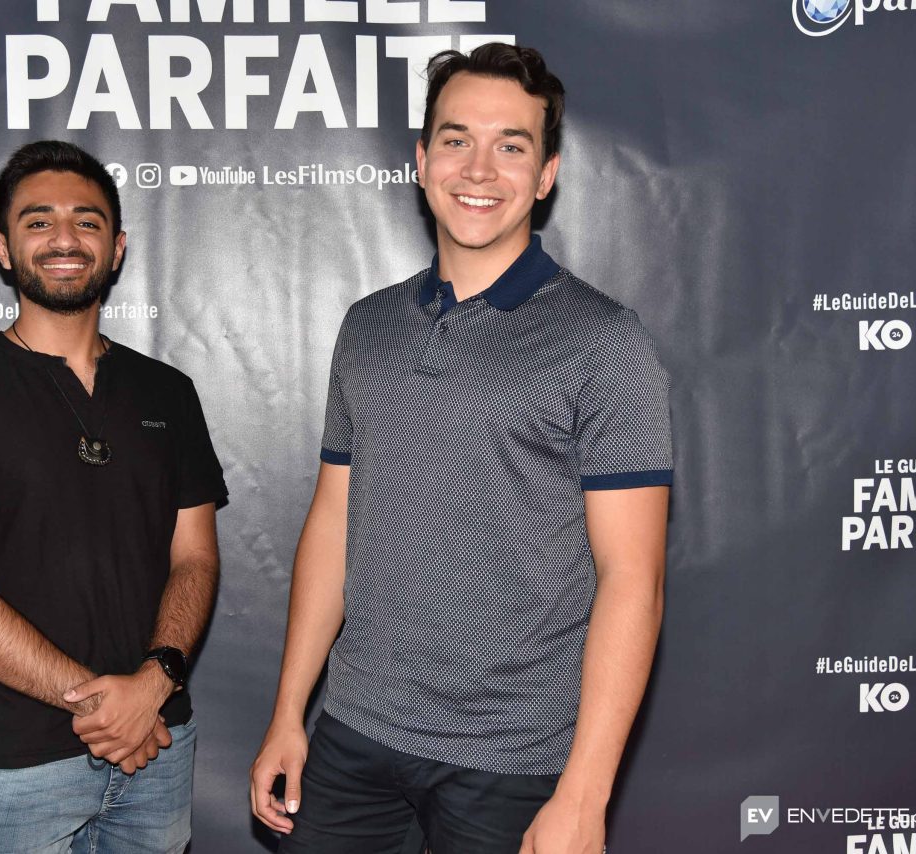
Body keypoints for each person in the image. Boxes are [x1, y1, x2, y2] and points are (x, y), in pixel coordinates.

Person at [250, 43, 672, 854]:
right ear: (420, 159)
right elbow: (335, 519)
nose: (479, 168)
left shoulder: (604, 342)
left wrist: (585, 795)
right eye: (455, 139)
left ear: (546, 174)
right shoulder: (366, 326)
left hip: (514, 764)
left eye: (511, 145)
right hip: (351, 739)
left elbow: (633, 579)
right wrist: (288, 715)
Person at [0, 140, 227, 854]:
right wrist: (107, 706)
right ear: (3, 248)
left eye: (87, 221)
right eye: (38, 222)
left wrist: (154, 681)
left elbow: (194, 558)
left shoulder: (169, 392)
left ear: (118, 246)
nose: (65, 239)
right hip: (11, 766)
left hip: (157, 747)